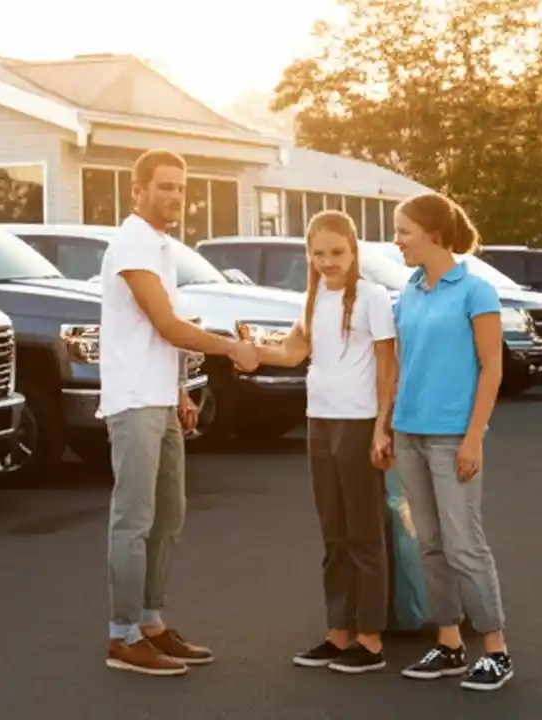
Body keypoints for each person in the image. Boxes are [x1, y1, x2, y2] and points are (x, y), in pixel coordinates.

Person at [99, 148, 259, 677]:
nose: (174, 196)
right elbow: (166, 325)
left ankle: (150, 622)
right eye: (164, 186)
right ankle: (122, 636)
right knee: (134, 519)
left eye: (180, 188)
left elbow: (159, 337)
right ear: (137, 190)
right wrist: (230, 348)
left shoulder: (162, 246)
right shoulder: (130, 243)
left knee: (169, 516)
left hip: (160, 398)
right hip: (133, 401)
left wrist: (181, 391)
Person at [253, 210, 398, 675]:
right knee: (333, 534)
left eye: (337, 252)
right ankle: (338, 634)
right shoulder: (313, 299)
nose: (328, 261)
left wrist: (382, 427)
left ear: (354, 249)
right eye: (318, 254)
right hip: (320, 422)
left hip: (359, 424)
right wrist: (245, 352)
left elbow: (387, 366)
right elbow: (291, 352)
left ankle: (370, 640)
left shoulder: (374, 298)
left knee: (364, 534)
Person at [389, 192, 513, 692]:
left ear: (434, 234)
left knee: (465, 545)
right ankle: (448, 644)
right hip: (408, 432)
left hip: (451, 436)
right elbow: (400, 366)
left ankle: (497, 651)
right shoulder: (411, 290)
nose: (396, 240)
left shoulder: (475, 291)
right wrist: (385, 426)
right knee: (431, 545)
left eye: (403, 231)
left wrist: (474, 438)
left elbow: (492, 369)